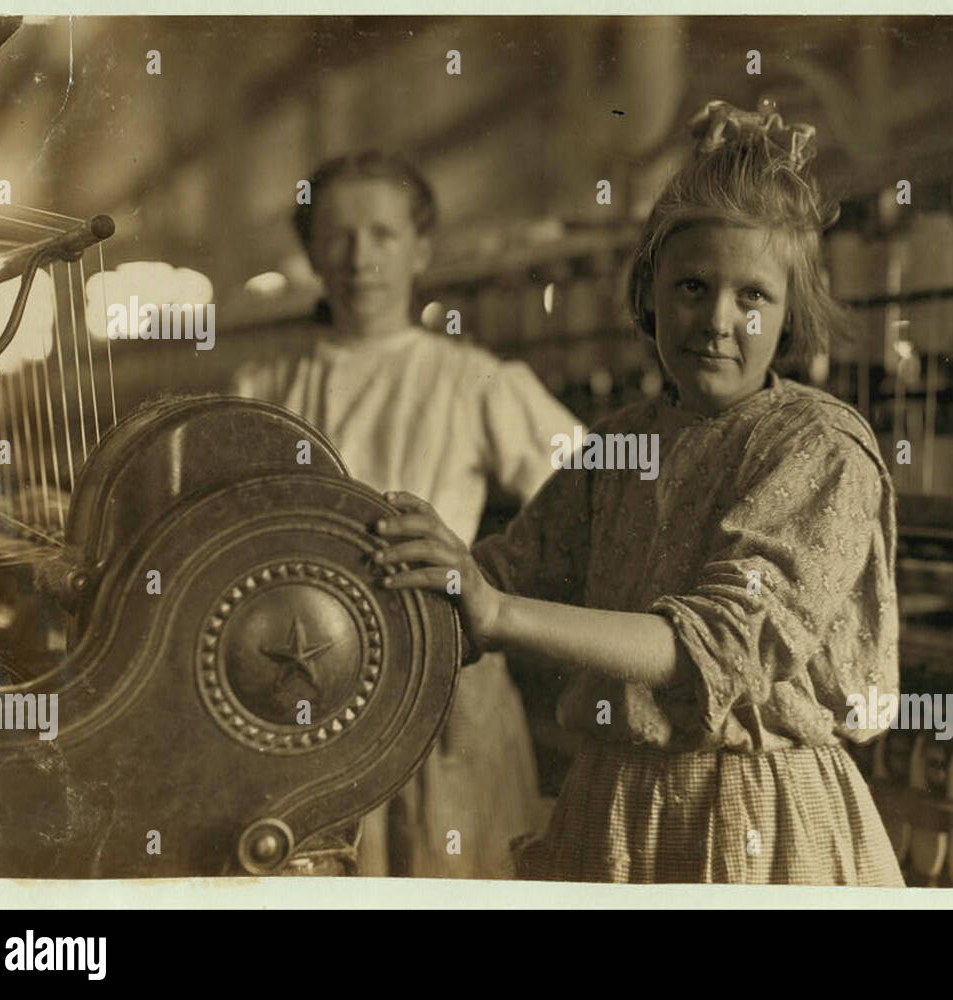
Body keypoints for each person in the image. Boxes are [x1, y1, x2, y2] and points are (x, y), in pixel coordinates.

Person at [366, 101, 905, 883]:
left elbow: (715, 645)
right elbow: (511, 571)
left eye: (752, 296)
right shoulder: (624, 441)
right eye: (693, 286)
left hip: (757, 817)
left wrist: (498, 611)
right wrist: (417, 574)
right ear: (650, 294)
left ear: (791, 316)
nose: (718, 320)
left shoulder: (819, 447)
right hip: (610, 808)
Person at [231, 150, 574, 877]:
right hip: (304, 686)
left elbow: (592, 499)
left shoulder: (472, 379)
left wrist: (485, 578)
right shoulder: (264, 388)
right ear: (312, 254)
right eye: (338, 236)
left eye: (383, 235)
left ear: (421, 249)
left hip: (444, 685)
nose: (361, 257)